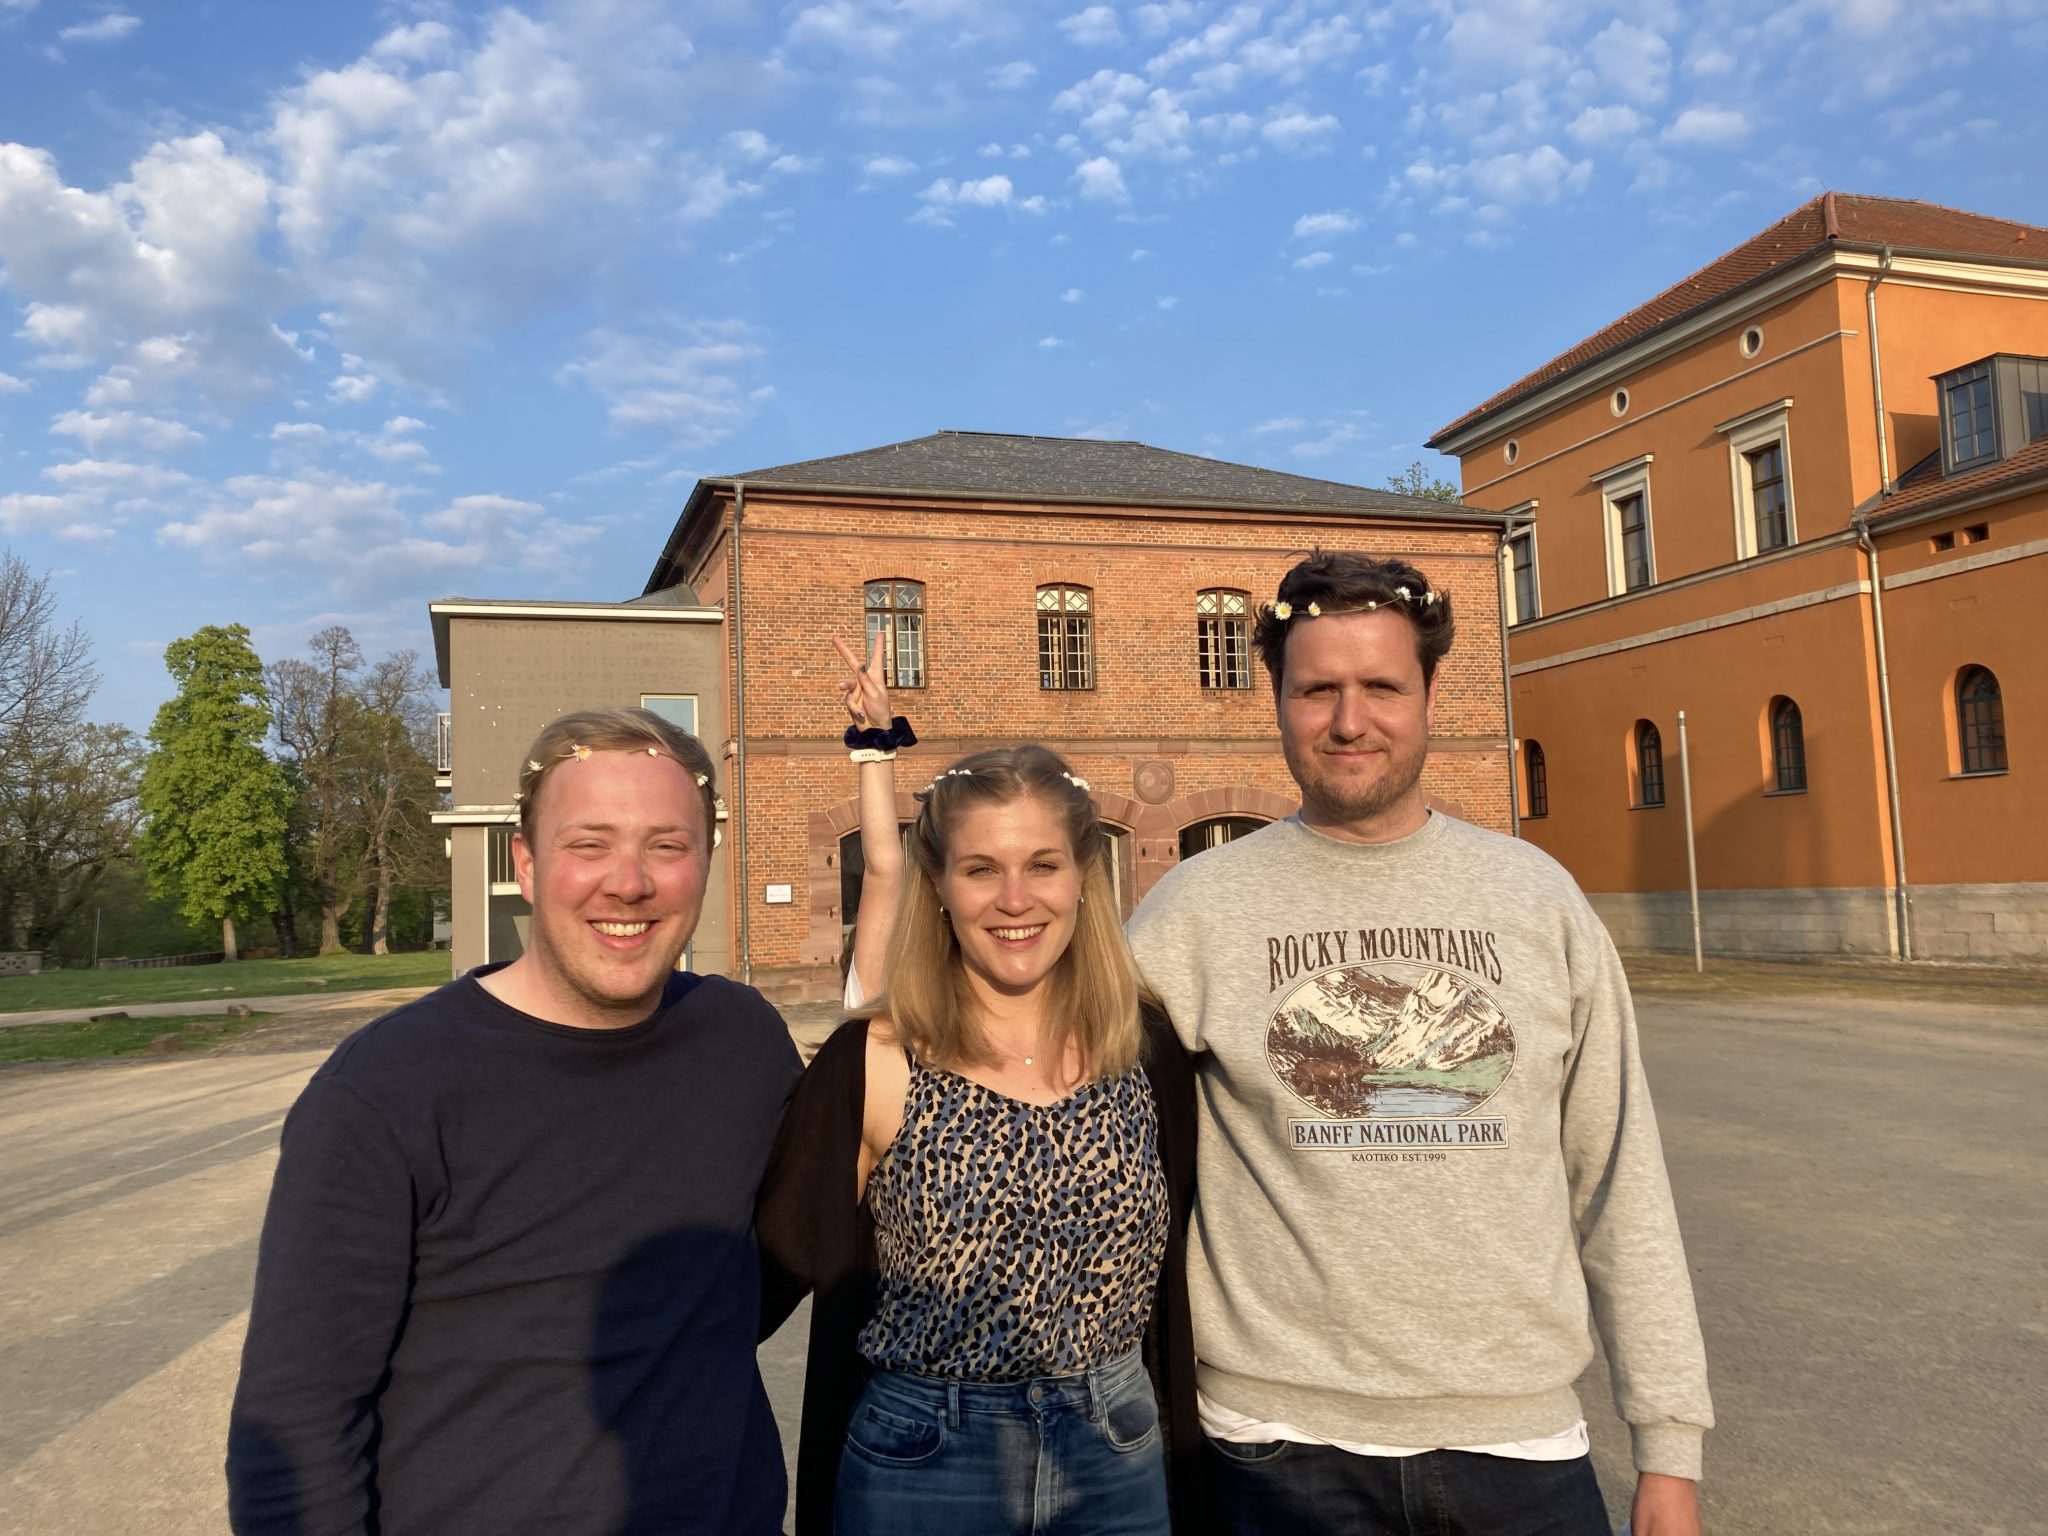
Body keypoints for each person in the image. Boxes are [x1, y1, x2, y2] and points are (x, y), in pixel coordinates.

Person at [1124, 551, 1713, 1536]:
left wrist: (1667, 1448)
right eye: (1316, 690)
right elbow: (1056, 1087)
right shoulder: (1196, 910)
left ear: (1431, 695)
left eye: (1381, 687)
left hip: (1518, 1445)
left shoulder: (1535, 899)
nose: (1348, 721)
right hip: (1274, 1446)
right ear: (1277, 702)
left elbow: (1619, 1177)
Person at [226, 708, 800, 1536]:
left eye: (667, 846)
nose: (629, 882)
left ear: (706, 863)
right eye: (589, 844)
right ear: (526, 864)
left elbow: (783, 1251)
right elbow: (296, 1421)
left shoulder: (741, 1042)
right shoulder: (386, 1089)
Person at [755, 644, 1204, 1536]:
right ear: (940, 885)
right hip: (923, 1461)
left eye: (1043, 865)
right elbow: (762, 1274)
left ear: (1084, 878)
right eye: (981, 869)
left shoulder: (1147, 1052)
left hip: (1116, 1454)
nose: (1015, 899)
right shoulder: (876, 1060)